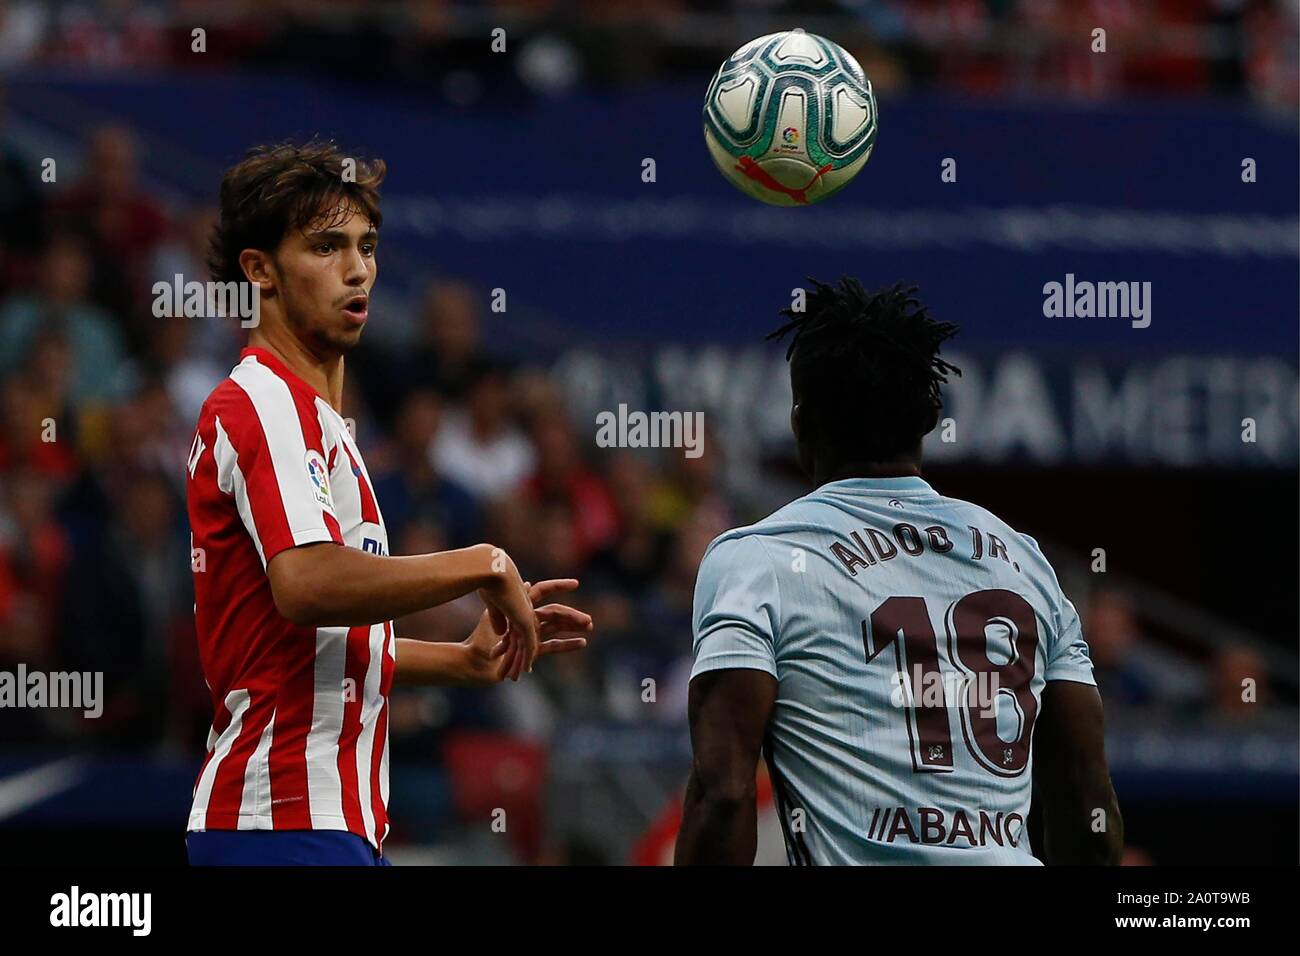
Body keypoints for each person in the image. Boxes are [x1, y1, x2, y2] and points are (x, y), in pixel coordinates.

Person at [184, 141, 591, 866]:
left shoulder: (321, 425)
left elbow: (303, 650)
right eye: (326, 246)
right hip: (282, 821)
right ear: (259, 271)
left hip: (319, 824)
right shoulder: (264, 404)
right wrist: (483, 563)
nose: (357, 268)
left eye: (367, 246)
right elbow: (307, 584)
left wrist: (460, 662)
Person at [675, 278, 1121, 865]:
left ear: (800, 423)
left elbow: (724, 795)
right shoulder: (1024, 562)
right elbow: (1087, 800)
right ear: (931, 417)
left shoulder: (757, 560)